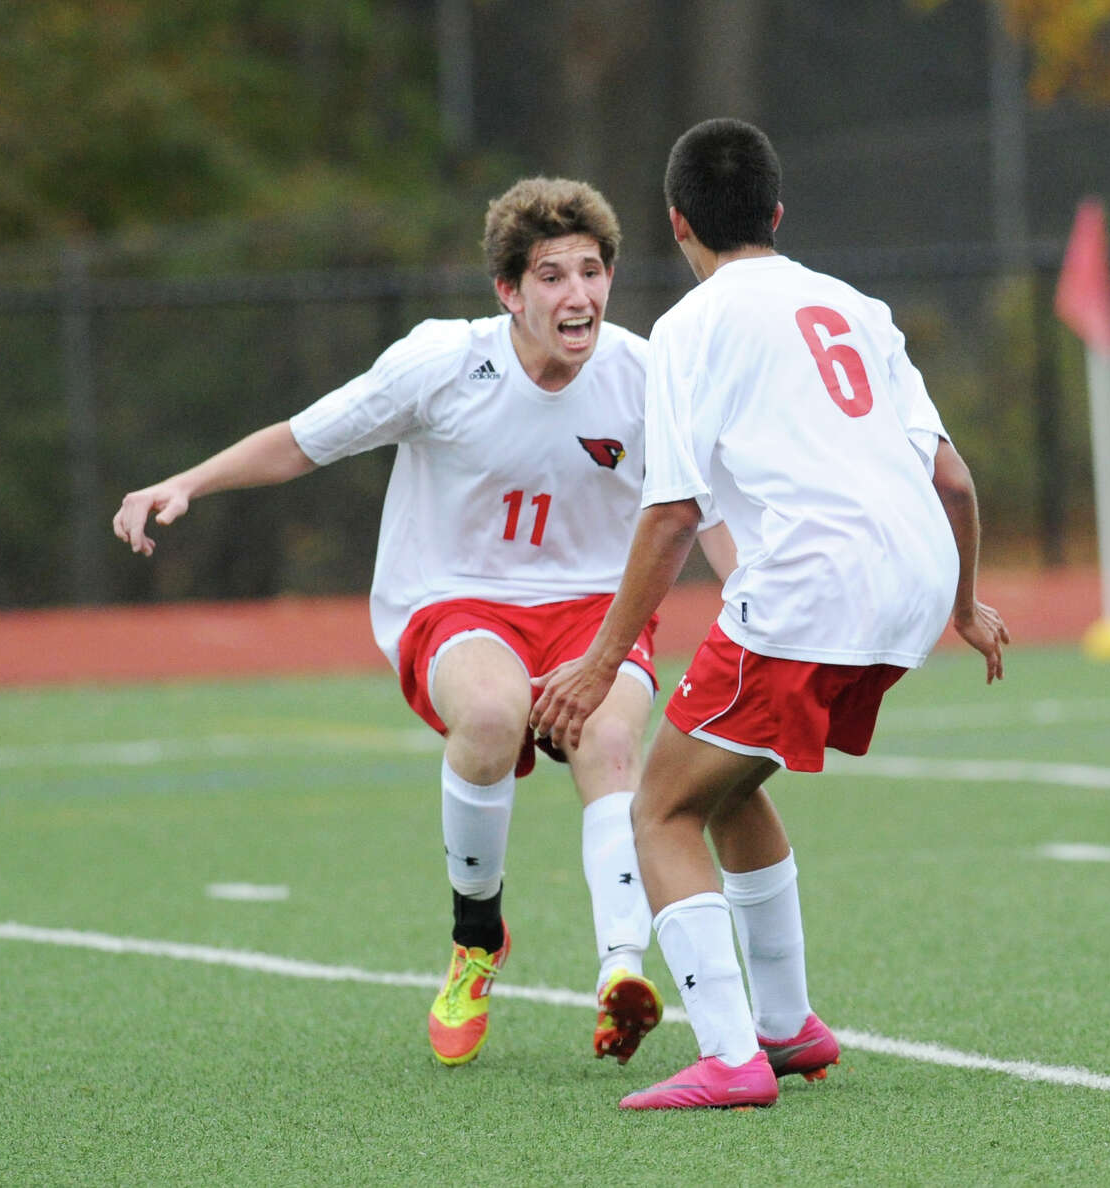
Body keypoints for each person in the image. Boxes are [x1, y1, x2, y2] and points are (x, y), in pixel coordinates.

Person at [113, 176, 735, 1071]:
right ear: (508, 293)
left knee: (606, 744)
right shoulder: (442, 363)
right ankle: (477, 940)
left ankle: (620, 977)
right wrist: (185, 484)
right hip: (457, 596)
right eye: (552, 275)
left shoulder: (645, 375)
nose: (578, 295)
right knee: (490, 714)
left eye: (592, 272)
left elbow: (699, 505)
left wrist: (758, 587)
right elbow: (301, 440)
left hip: (595, 608)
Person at [531, 119, 1010, 1110]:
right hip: (914, 578)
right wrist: (962, 605)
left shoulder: (689, 330)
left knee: (657, 812)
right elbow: (953, 478)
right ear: (779, 215)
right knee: (727, 781)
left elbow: (670, 517)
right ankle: (789, 1028)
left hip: (811, 581)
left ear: (677, 226)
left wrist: (595, 664)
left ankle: (732, 1056)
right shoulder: (858, 307)